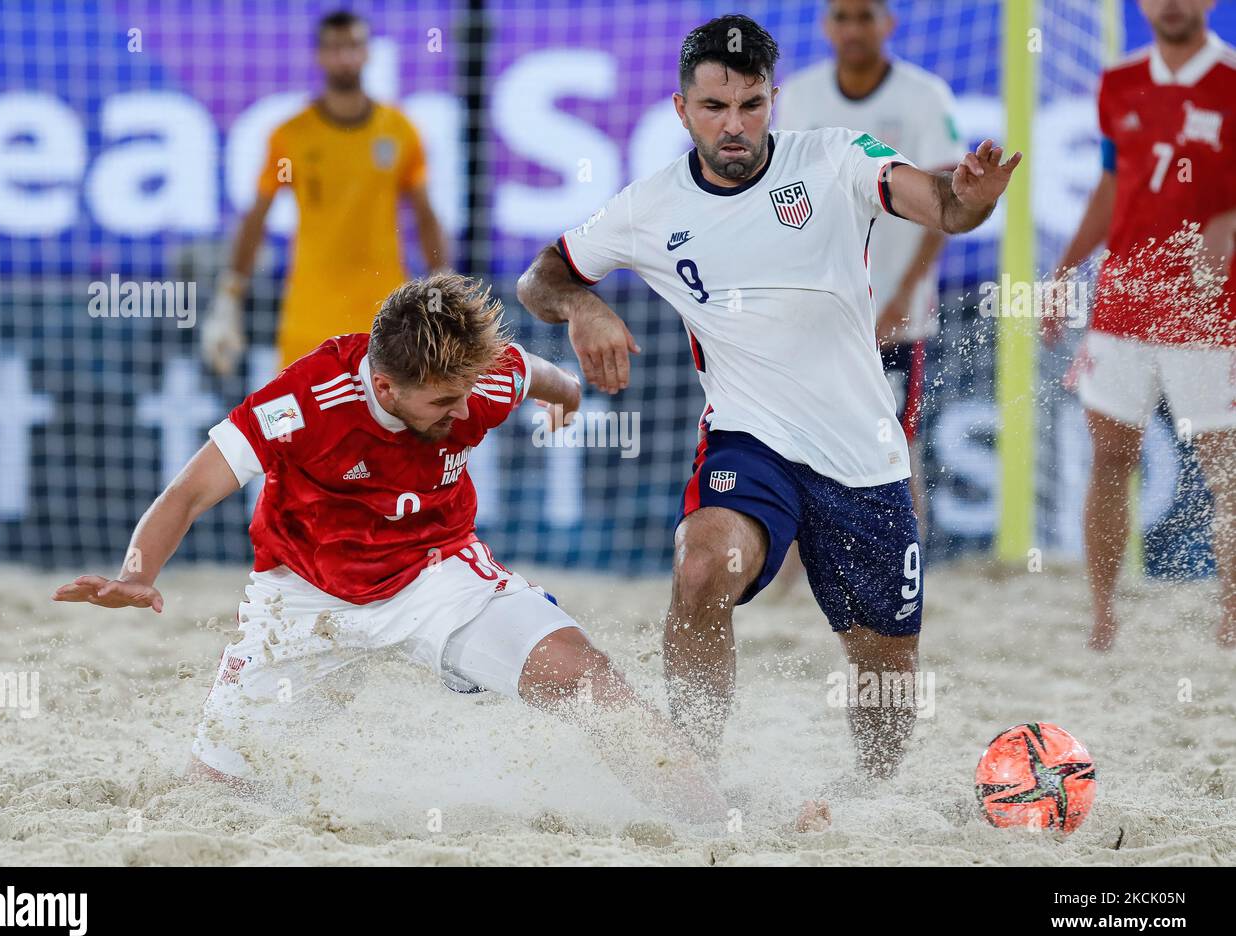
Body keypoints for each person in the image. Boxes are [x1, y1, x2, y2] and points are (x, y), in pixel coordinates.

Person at [517, 14, 1019, 820]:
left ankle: (873, 794)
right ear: (682, 109)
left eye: (751, 105)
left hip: (862, 452)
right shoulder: (649, 207)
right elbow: (538, 279)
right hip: (750, 438)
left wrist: (971, 198)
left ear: (773, 101)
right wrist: (581, 306)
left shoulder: (833, 158)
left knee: (885, 661)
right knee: (701, 565)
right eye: (715, 107)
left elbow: (943, 207)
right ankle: (692, 781)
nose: (735, 125)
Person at [55, 273, 726, 823]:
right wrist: (137, 572)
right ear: (384, 387)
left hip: (437, 576)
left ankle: (715, 824)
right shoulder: (304, 403)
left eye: (466, 395)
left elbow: (529, 372)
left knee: (590, 680)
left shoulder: (475, 384)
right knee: (212, 791)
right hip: (303, 599)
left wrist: (570, 396)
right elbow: (188, 492)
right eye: (441, 403)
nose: (462, 416)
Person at [1044, 0, 1236, 650]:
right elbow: (1109, 186)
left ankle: (1230, 621)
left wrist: (1227, 223)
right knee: (1109, 459)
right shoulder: (1119, 82)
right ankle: (1104, 616)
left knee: (1226, 473)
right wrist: (1064, 270)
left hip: (1210, 312)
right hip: (1123, 304)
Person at [776, 0, 963, 535]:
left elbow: (946, 207)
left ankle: (911, 566)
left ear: (889, 23)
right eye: (842, 16)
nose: (853, 28)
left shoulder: (924, 97)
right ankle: (790, 580)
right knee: (795, 441)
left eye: (865, 15)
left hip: (892, 310)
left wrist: (907, 292)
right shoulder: (802, 97)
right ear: (825, 25)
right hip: (813, 308)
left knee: (894, 445)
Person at [201, 10, 448, 375]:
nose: (345, 57)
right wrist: (229, 295)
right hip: (309, 318)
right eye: (335, 47)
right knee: (297, 427)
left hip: (385, 317)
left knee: (390, 426)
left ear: (367, 53)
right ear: (319, 55)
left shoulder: (400, 131)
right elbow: (257, 217)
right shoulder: (291, 137)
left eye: (353, 46)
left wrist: (441, 286)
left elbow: (425, 215)